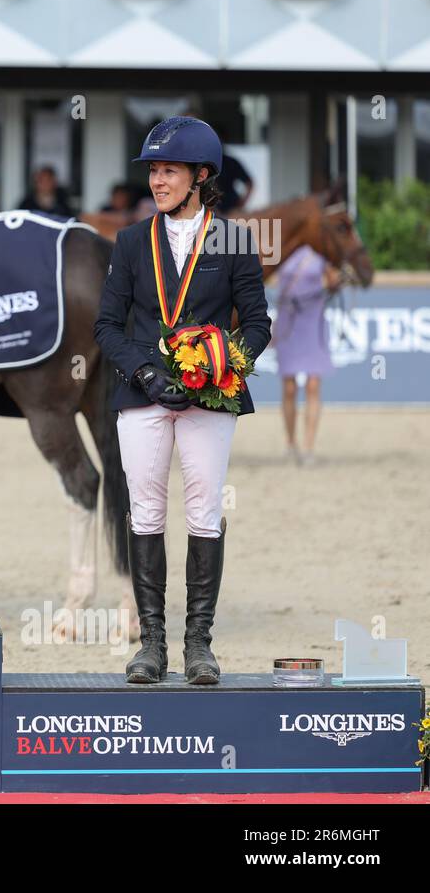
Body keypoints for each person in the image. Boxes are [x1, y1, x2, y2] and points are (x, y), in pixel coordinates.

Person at [94, 116, 271, 686]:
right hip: (142, 393)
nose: (157, 182)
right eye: (153, 171)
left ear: (200, 176)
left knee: (203, 511)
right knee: (144, 509)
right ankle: (151, 645)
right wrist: (145, 371)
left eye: (168, 171)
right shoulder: (129, 240)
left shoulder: (234, 240)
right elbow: (106, 326)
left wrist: (220, 366)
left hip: (210, 395)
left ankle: (198, 645)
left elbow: (258, 324)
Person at [272, 243, 340, 467]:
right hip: (288, 319)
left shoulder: (322, 251)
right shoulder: (285, 245)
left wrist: (335, 279)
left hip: (312, 320)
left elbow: (333, 281)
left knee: (313, 384)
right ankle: (291, 442)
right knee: (289, 386)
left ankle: (309, 447)